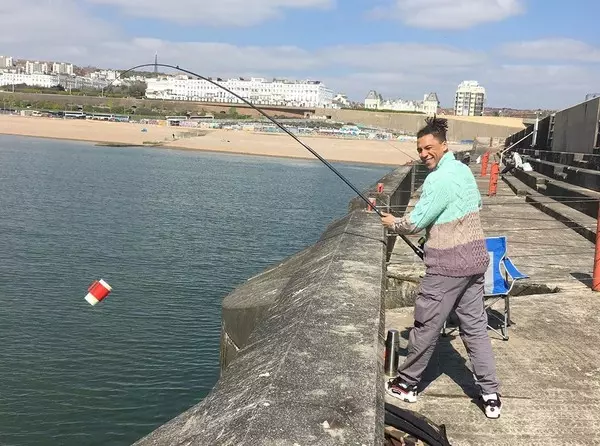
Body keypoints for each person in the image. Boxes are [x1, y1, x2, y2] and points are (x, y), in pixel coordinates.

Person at [380, 116, 502, 419]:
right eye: (420, 149)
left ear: (443, 145)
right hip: (475, 261)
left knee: (426, 325)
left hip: (448, 266)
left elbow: (415, 221)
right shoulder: (462, 170)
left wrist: (392, 222)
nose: (424, 154)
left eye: (429, 147)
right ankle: (490, 394)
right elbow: (474, 206)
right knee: (475, 329)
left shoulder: (438, 179)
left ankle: (407, 384)